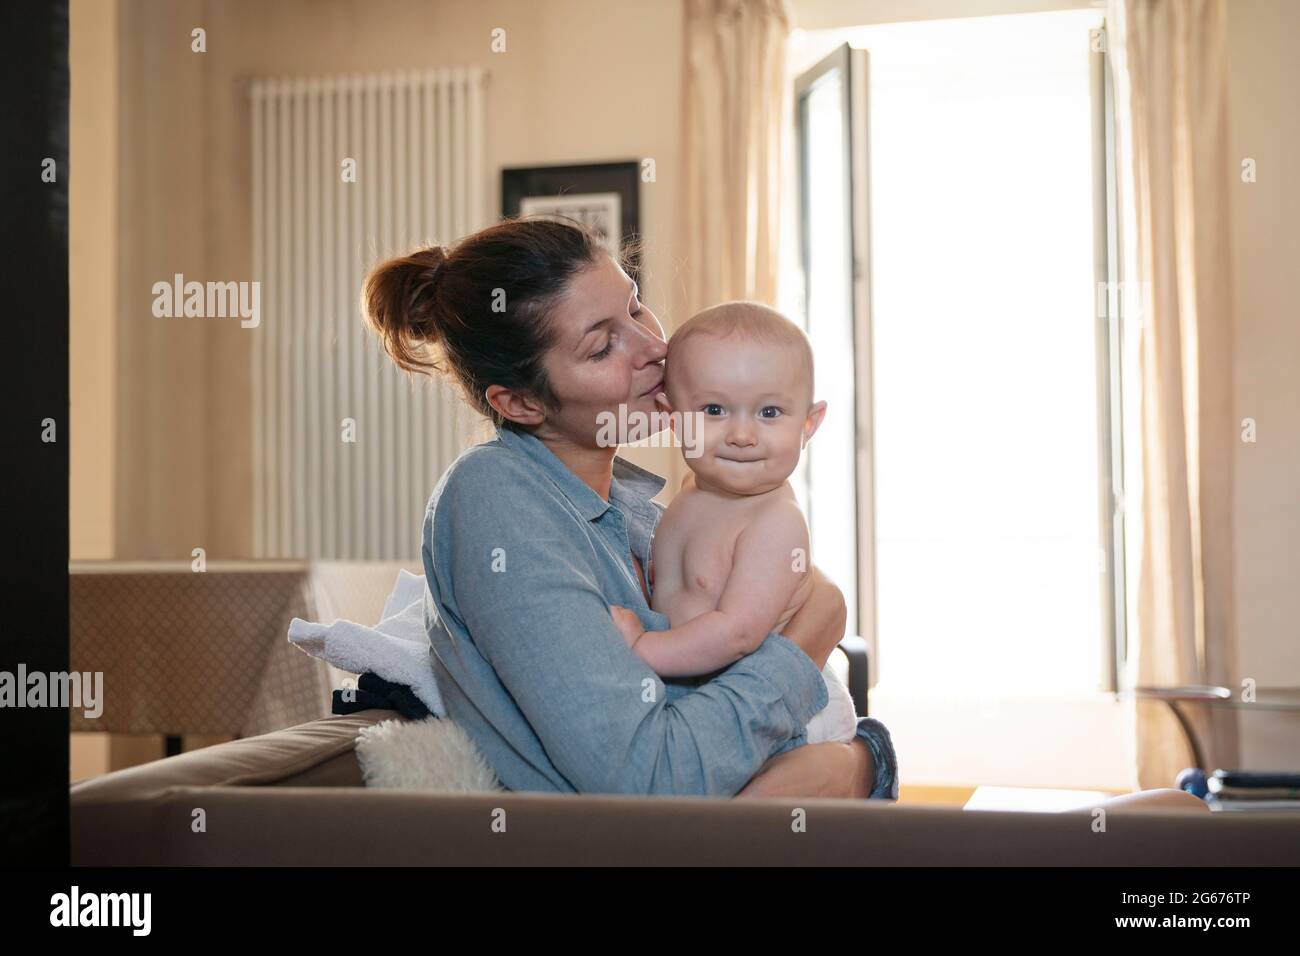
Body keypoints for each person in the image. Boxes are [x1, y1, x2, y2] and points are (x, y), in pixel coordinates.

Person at [361, 216, 898, 798]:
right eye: (602, 346)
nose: (655, 348)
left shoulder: (640, 511)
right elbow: (650, 779)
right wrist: (815, 646)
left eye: (636, 308)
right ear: (519, 401)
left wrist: (859, 760)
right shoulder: (493, 497)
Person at [608, 300, 858, 745]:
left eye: (769, 413)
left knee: (759, 814)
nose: (742, 436)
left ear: (809, 423)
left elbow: (738, 632)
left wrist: (644, 650)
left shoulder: (775, 523)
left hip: (795, 717)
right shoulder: (691, 492)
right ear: (671, 417)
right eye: (714, 411)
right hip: (707, 691)